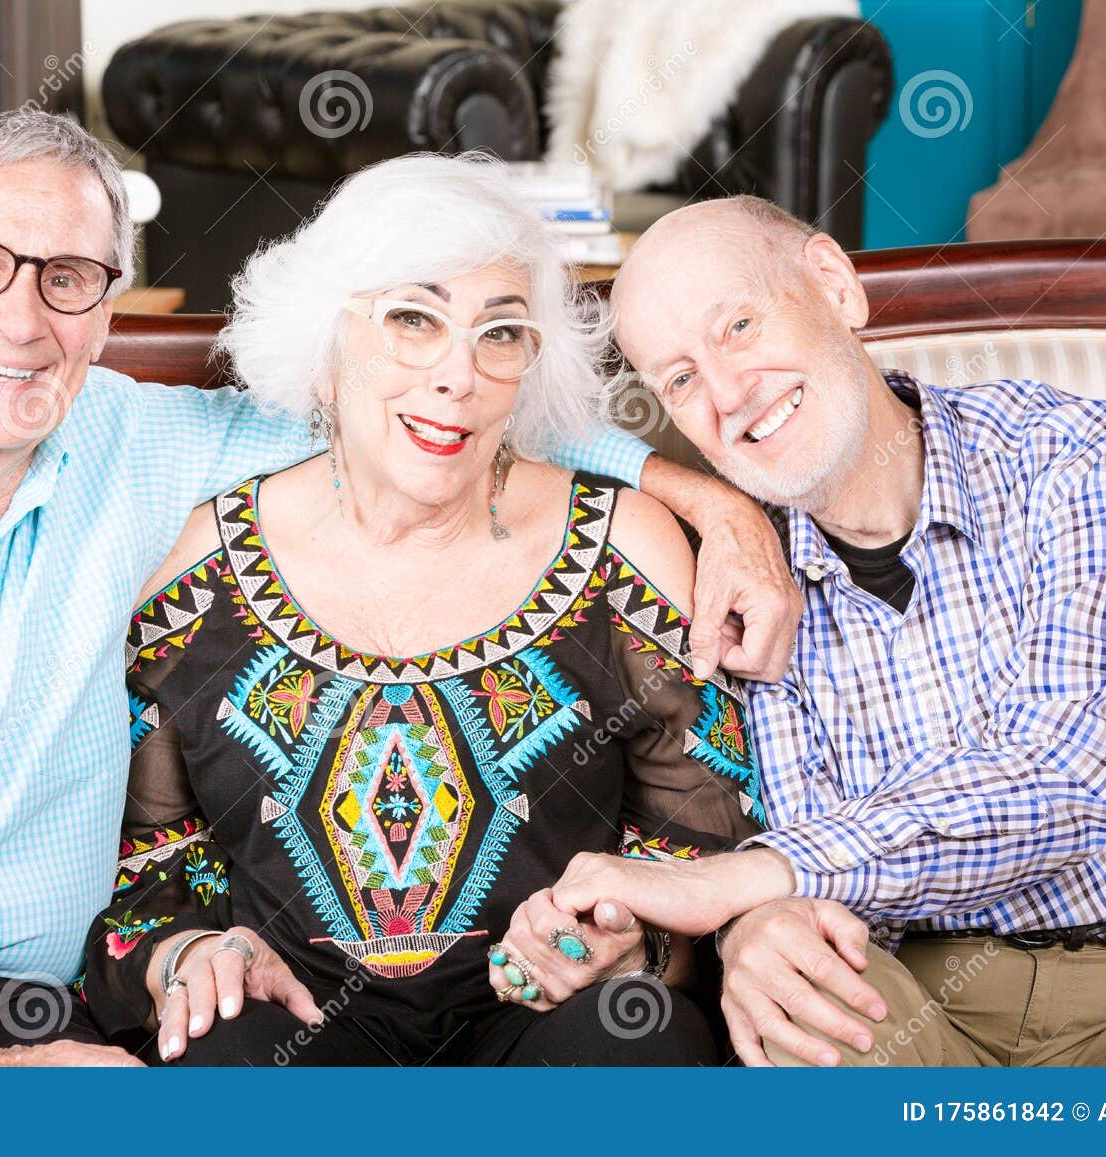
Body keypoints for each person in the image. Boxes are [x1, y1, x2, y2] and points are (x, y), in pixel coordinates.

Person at [0, 113, 796, 1067]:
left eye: (67, 277)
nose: (21, 321)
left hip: (43, 1020)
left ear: (106, 303)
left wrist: (707, 499)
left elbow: (429, 408)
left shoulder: (139, 443)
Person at [545, 194, 1106, 1066]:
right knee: (793, 986)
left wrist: (749, 880)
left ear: (833, 285)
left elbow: (1073, 772)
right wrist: (705, 496)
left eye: (739, 325)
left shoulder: (1075, 454)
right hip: (896, 1007)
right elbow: (496, 414)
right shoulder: (743, 572)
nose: (727, 393)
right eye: (678, 379)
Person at [79, 155, 767, 1066]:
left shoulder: (623, 549)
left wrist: (634, 945)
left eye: (500, 333)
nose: (458, 374)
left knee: (640, 1034)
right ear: (327, 347)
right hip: (292, 1034)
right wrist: (189, 953)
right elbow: (146, 872)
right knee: (218, 1043)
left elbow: (706, 859)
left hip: (553, 1033)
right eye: (412, 318)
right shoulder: (199, 571)